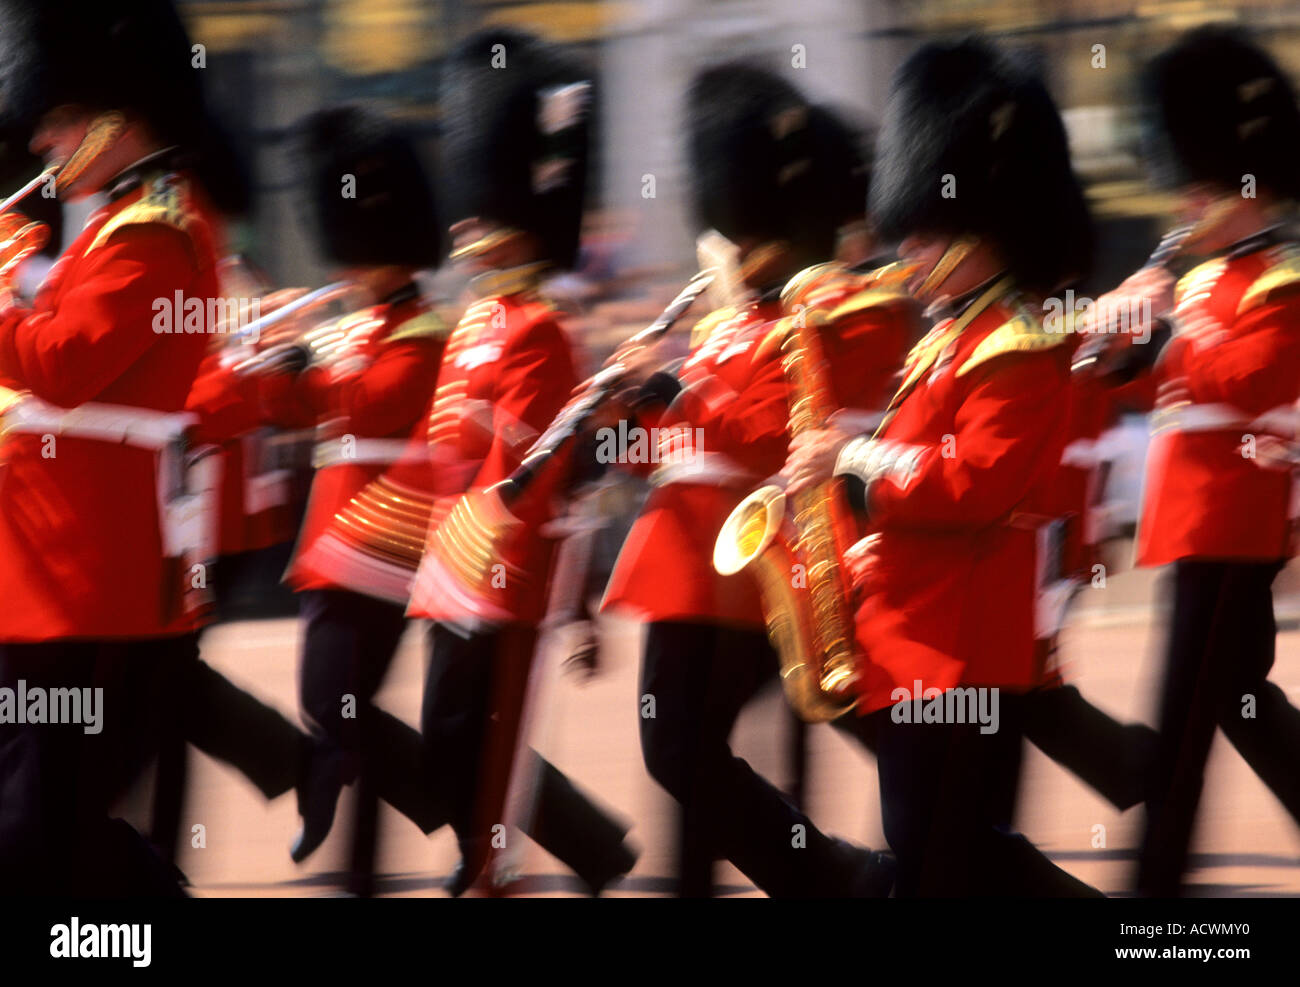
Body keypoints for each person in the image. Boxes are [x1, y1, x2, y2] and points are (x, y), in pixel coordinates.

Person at [0, 0, 309, 894]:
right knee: (38, 821)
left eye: (59, 118)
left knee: (39, 826)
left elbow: (62, 364)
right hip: (48, 557)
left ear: (115, 114)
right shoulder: (109, 228)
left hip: (87, 570)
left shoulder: (156, 231)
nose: (46, 139)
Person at [783, 37, 1102, 897]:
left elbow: (970, 483)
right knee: (956, 854)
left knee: (938, 855)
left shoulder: (1015, 344)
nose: (907, 252)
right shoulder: (950, 340)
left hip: (956, 644)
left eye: (924, 232)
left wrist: (847, 457)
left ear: (983, 226)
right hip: (914, 634)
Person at [601, 64, 910, 897]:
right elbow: (673, 445)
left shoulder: (804, 320)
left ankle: (843, 871)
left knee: (688, 750)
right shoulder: (721, 320)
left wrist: (676, 393)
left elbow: (771, 435)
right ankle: (834, 871)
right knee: (681, 752)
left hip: (736, 562)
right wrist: (624, 412)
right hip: (680, 553)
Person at [404, 28, 637, 896]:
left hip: (500, 568)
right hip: (449, 561)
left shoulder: (538, 327)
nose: (466, 224)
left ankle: (487, 873)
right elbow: (443, 451)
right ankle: (544, 853)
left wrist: (571, 605)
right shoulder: (471, 320)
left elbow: (536, 465)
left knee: (490, 741)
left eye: (484, 210)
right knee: (448, 735)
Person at [1093, 26, 1300, 896]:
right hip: (1195, 517)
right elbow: (1170, 395)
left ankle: (1157, 911)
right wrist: (1116, 349)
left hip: (1235, 519)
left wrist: (1171, 327)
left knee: (1181, 729)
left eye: (1198, 187)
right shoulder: (1202, 277)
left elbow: (1254, 379)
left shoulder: (1278, 280)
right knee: (1233, 696)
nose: (1183, 204)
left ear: (1235, 188)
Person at [252, 105, 450, 888]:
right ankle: (460, 800)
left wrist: (306, 365)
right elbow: (300, 412)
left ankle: (340, 808)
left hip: (386, 530)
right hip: (335, 531)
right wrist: (272, 362)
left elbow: (372, 405)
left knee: (335, 702)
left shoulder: (424, 331)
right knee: (342, 707)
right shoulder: (356, 325)